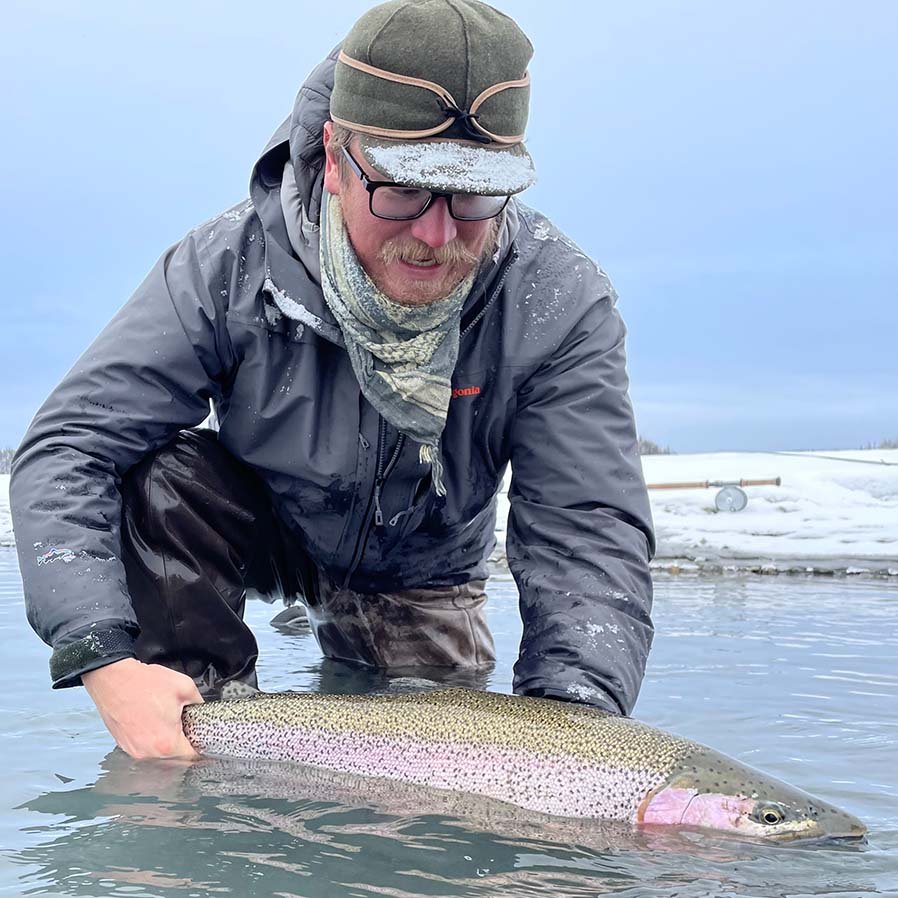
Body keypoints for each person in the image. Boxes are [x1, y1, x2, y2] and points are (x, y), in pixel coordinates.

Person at [10, 0, 655, 760]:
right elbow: (68, 448)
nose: (436, 235)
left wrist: (571, 739)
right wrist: (101, 656)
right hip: (270, 528)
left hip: (425, 567)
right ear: (335, 155)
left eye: (475, 194)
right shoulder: (226, 266)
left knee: (424, 824)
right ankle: (189, 737)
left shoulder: (558, 299)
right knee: (159, 477)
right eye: (403, 189)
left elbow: (587, 527)